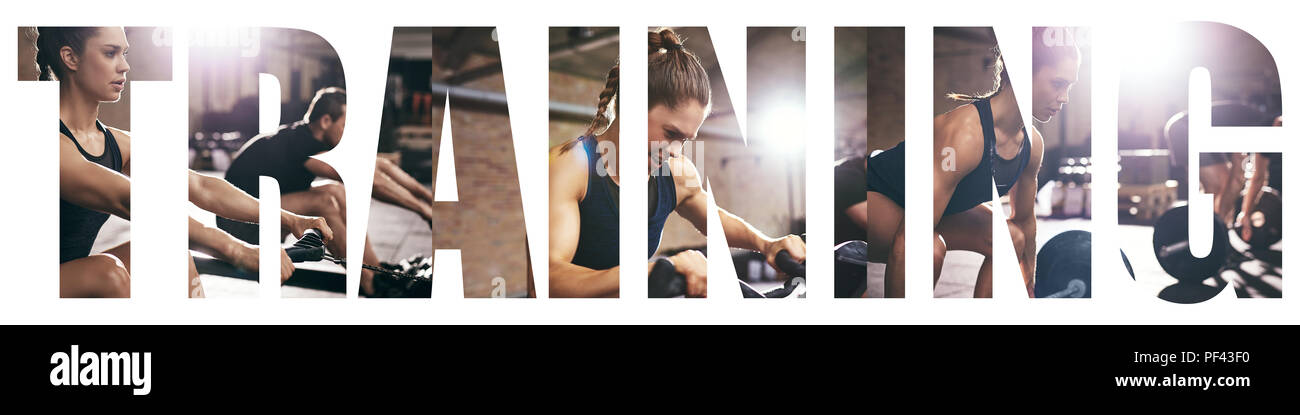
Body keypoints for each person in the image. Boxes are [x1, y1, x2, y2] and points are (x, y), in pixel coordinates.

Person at [39, 27, 331, 298]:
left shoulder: (115, 143)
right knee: (109, 273)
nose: (124, 66)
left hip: (66, 276)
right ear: (71, 57)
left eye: (124, 53)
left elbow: (201, 186)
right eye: (110, 53)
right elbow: (131, 201)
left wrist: (289, 218)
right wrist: (239, 250)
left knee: (171, 253)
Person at [548, 27, 807, 298]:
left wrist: (767, 245)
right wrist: (654, 269)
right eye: (670, 134)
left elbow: (714, 219)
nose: (674, 151)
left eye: (685, 139)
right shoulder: (569, 167)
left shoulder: (676, 173)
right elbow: (546, 282)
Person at [853, 28, 1075, 298]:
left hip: (934, 211)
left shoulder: (1032, 145)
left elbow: (1026, 222)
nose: (1064, 97)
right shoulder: (967, 135)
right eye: (1057, 84)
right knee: (928, 248)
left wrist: (1029, 287)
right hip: (875, 195)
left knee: (1011, 238)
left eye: (1069, 87)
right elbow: (910, 239)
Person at [218, 87, 434, 296]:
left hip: (259, 210)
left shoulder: (310, 137)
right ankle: (370, 284)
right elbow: (368, 180)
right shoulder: (302, 145)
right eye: (345, 125)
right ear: (325, 121)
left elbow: (380, 166)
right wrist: (423, 211)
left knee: (336, 191)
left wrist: (429, 199)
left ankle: (376, 272)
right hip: (238, 221)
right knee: (324, 201)